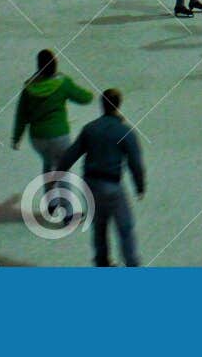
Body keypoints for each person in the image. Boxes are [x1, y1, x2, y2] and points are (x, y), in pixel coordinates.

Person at [58, 89, 145, 268]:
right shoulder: (124, 131)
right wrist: (140, 186)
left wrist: (59, 172)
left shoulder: (90, 129)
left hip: (91, 184)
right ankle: (131, 264)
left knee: (99, 226)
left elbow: (71, 154)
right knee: (124, 226)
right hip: (112, 185)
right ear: (119, 105)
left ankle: (101, 262)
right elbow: (135, 162)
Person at [10, 49, 93, 208]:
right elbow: (85, 98)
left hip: (37, 138)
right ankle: (68, 211)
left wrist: (16, 137)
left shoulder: (29, 87)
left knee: (48, 165)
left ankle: (52, 202)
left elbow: (21, 115)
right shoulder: (62, 83)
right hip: (59, 136)